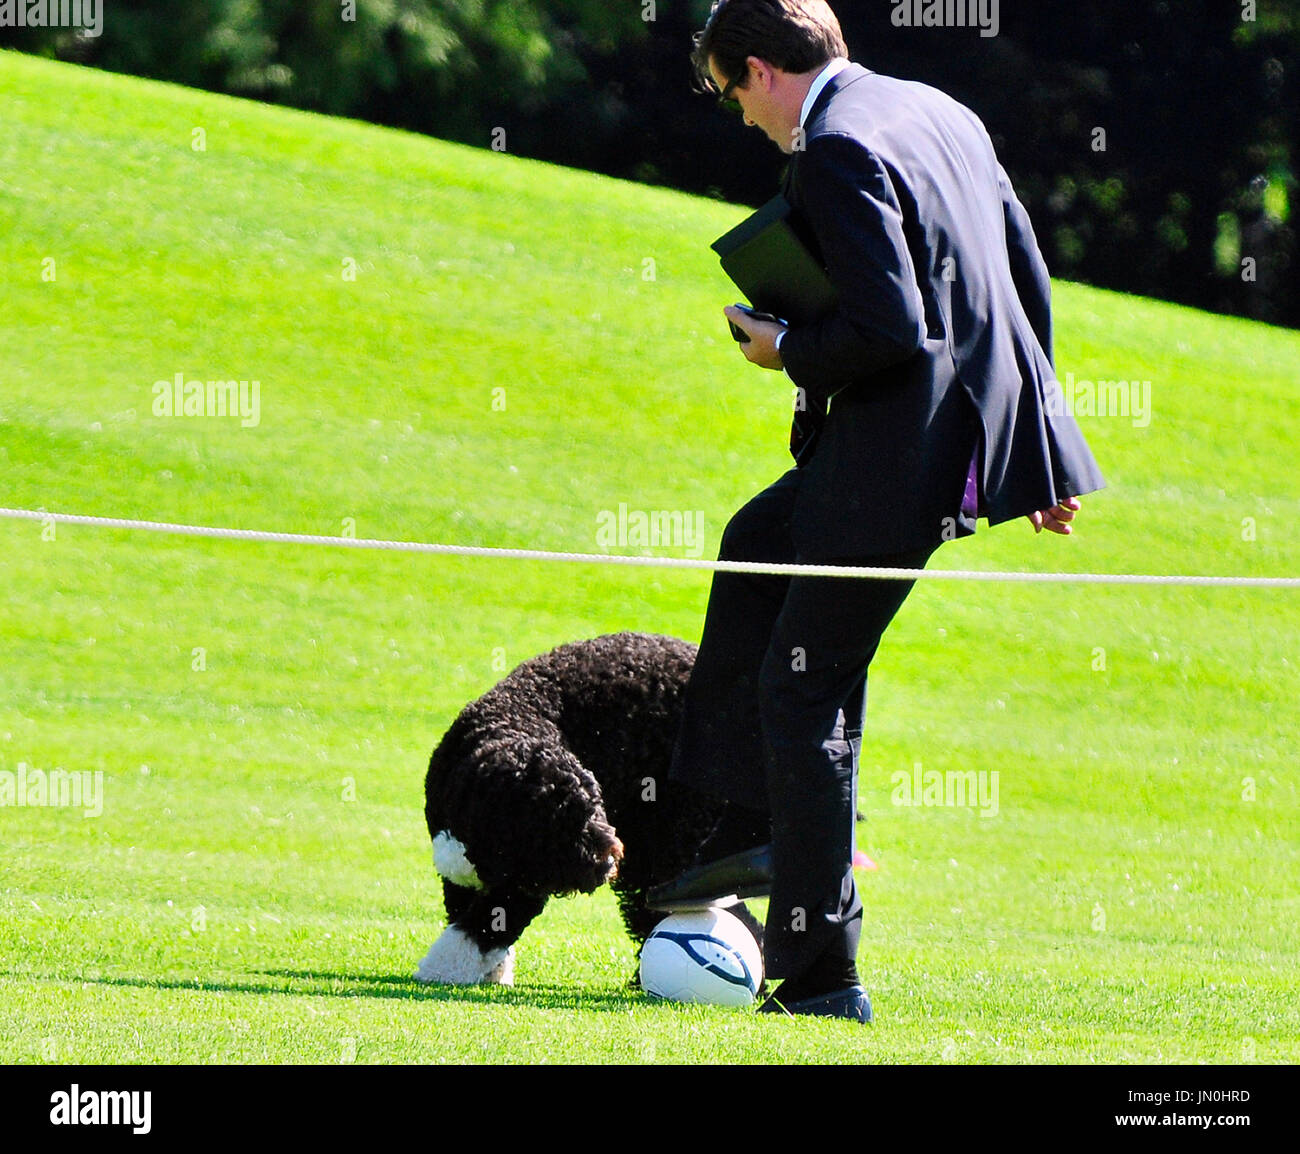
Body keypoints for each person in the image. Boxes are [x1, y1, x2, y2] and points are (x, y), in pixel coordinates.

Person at [648, 0, 1106, 1022]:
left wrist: (782, 351)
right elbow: (1022, 275)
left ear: (761, 70)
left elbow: (889, 326)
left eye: (732, 97)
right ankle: (749, 828)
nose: (742, 118)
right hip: (925, 447)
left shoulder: (836, 146)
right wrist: (1035, 442)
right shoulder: (934, 109)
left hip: (893, 464)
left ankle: (820, 977)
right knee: (754, 544)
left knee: (805, 692)